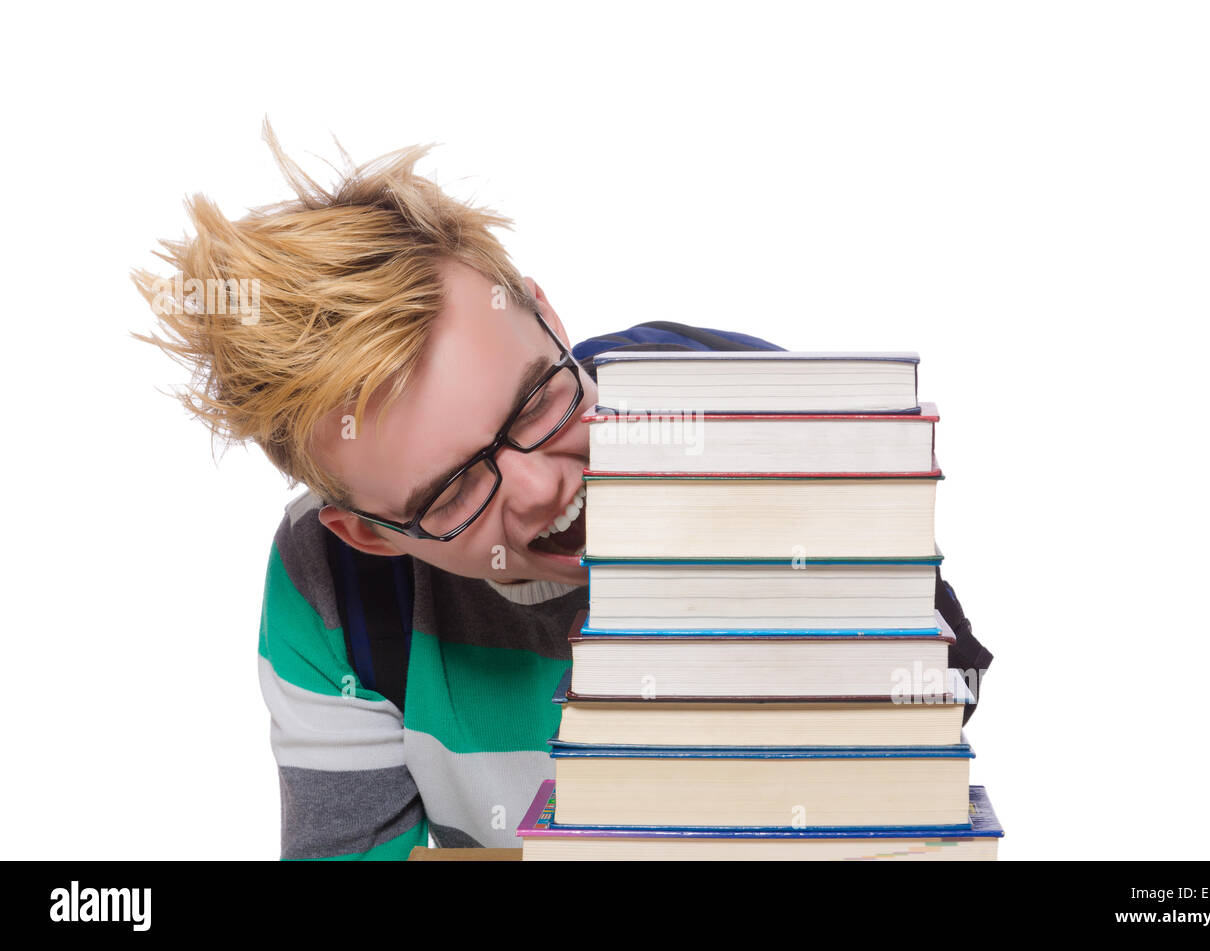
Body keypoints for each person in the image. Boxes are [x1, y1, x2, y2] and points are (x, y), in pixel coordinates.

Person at [132, 123, 990, 859]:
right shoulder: (334, 589)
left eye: (539, 400)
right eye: (455, 489)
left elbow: (935, 694)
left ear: (546, 313)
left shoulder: (732, 409)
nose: (542, 485)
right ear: (371, 535)